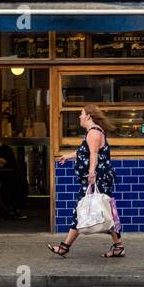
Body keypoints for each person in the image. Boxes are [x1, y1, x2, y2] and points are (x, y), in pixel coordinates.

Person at [49, 104, 124, 258]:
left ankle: (64, 247)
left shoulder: (94, 132)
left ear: (88, 116)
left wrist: (91, 173)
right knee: (105, 211)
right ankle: (118, 246)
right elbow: (85, 151)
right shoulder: (93, 132)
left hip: (96, 180)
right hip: (98, 179)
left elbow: (94, 153)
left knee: (83, 210)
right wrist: (68, 156)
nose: (79, 117)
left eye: (81, 114)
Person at [0, 134, 27, 218]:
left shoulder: (6, 150)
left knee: (11, 186)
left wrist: (5, 162)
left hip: (6, 177)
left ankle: (10, 208)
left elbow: (13, 165)